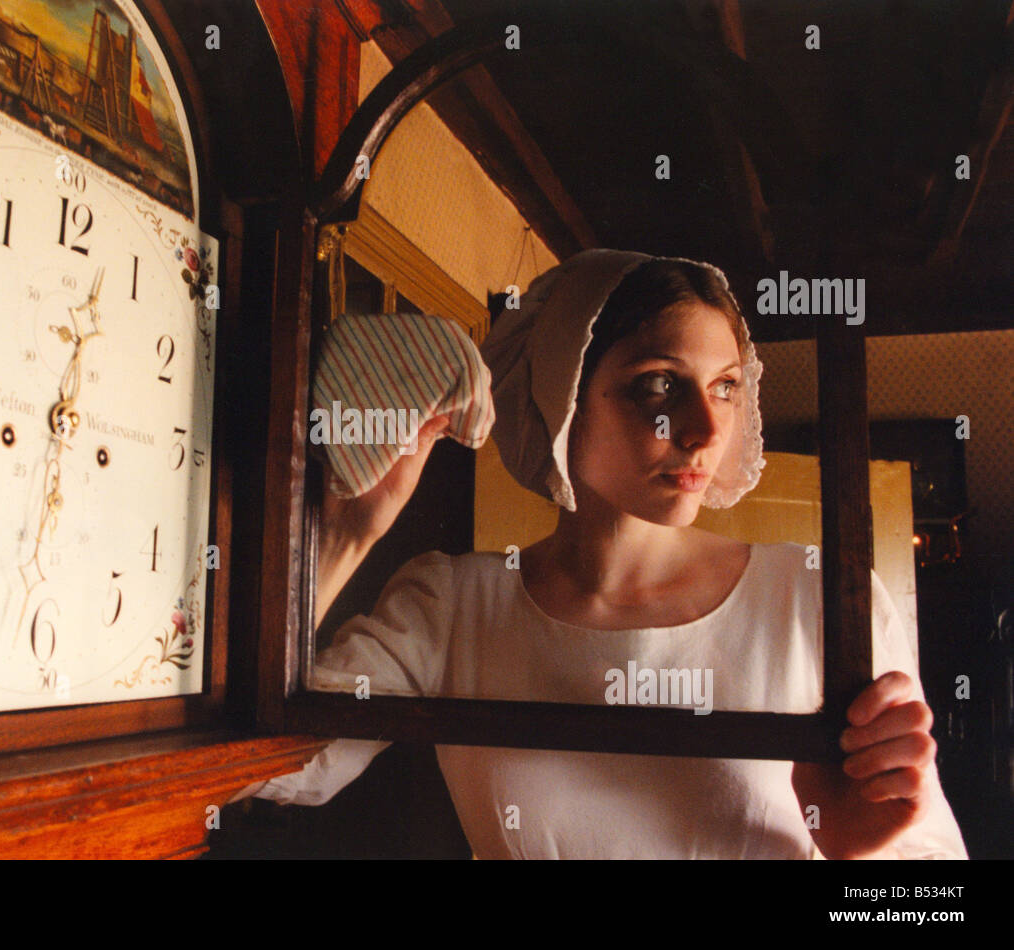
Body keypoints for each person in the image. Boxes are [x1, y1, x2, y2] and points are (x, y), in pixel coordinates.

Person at [233, 249, 969, 860]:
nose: (706, 430)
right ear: (561, 394)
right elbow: (263, 774)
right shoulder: (455, 608)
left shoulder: (818, 599)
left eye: (725, 388)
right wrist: (345, 534)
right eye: (659, 385)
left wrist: (861, 852)